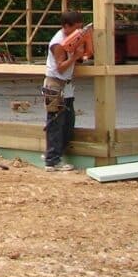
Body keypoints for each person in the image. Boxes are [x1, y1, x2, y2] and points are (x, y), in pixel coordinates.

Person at [42, 10, 90, 172]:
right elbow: (60, 68)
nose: (78, 32)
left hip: (66, 86)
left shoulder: (72, 39)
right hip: (55, 85)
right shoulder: (58, 43)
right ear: (65, 26)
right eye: (75, 28)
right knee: (55, 123)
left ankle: (54, 154)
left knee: (68, 124)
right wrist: (74, 57)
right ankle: (52, 160)